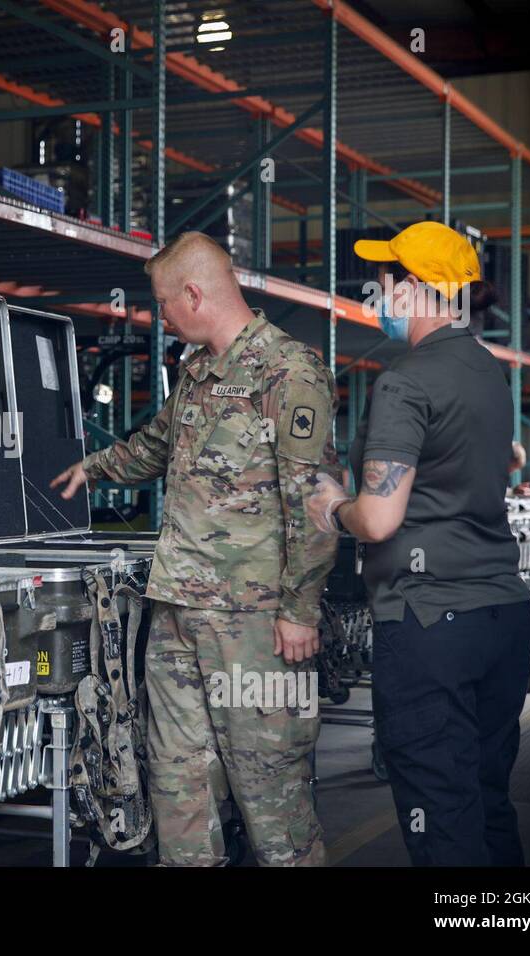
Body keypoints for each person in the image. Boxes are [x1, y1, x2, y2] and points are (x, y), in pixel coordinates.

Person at [52, 231, 340, 866]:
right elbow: (157, 444)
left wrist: (301, 609)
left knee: (270, 792)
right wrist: (93, 468)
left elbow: (315, 503)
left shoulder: (290, 372)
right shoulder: (197, 371)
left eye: (163, 303)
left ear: (193, 292)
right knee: (177, 784)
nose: (162, 316)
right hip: (178, 607)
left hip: (255, 624)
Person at [308, 220, 530, 866]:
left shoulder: (405, 382)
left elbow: (379, 519)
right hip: (502, 618)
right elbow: (499, 461)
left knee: (442, 821)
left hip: (432, 625)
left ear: (410, 291)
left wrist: (332, 508)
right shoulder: (488, 372)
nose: (376, 296)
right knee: (487, 801)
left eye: (382, 284)